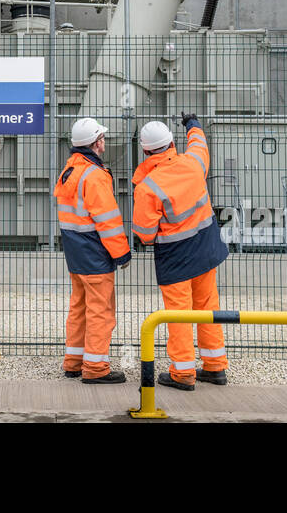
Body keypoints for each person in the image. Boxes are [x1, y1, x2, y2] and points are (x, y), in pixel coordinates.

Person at [130, 114, 229, 389]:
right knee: (208, 308)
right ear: (172, 143)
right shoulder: (194, 162)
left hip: (176, 259)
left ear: (145, 150)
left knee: (179, 315)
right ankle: (215, 367)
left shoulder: (148, 188)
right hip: (206, 251)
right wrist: (192, 124)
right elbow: (199, 143)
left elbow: (145, 235)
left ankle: (183, 373)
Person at [56, 117, 132, 384]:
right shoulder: (95, 176)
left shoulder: (70, 170)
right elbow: (108, 221)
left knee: (79, 308)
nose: (104, 142)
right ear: (96, 143)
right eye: (102, 138)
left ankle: (74, 362)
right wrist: (122, 254)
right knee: (101, 311)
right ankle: (96, 368)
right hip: (94, 254)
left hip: (75, 255)